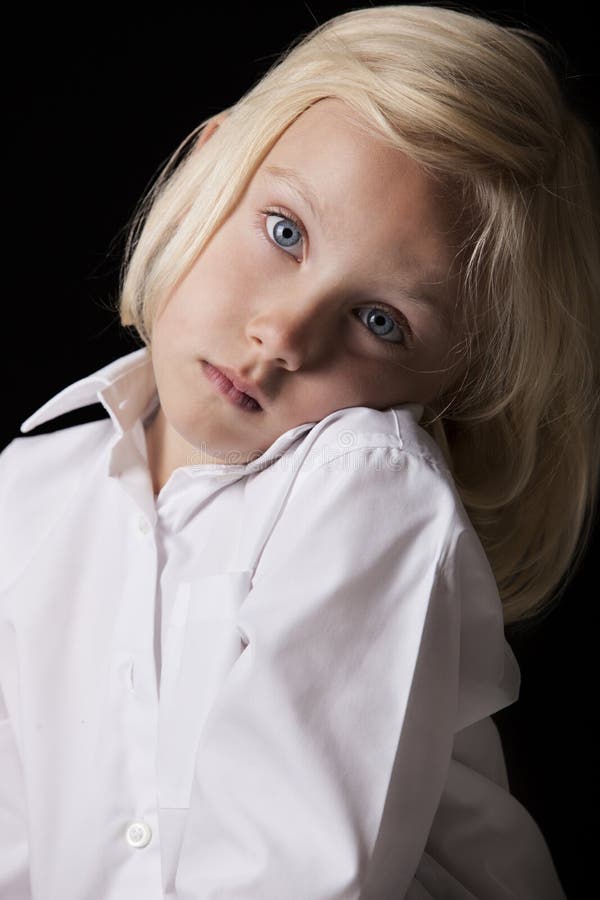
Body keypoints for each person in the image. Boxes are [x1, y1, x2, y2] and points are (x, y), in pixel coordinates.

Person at [1, 4, 597, 897]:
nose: (282, 334)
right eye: (285, 231)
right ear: (209, 163)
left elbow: (294, 878)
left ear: (448, 387)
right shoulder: (32, 490)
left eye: (380, 321)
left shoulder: (368, 490)